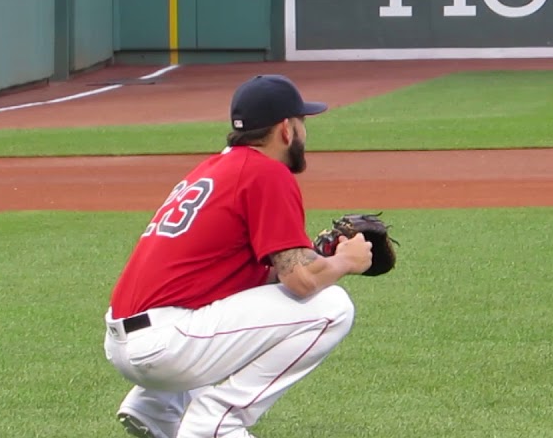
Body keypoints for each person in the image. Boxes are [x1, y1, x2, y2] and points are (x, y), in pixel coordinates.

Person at [103, 75, 372, 438]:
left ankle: (155, 405)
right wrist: (346, 262)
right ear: (286, 130)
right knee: (332, 306)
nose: (304, 132)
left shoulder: (216, 169)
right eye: (302, 122)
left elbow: (252, 273)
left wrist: (320, 255)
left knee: (253, 294)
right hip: (166, 344)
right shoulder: (267, 173)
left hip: (132, 340)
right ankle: (216, 420)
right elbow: (301, 281)